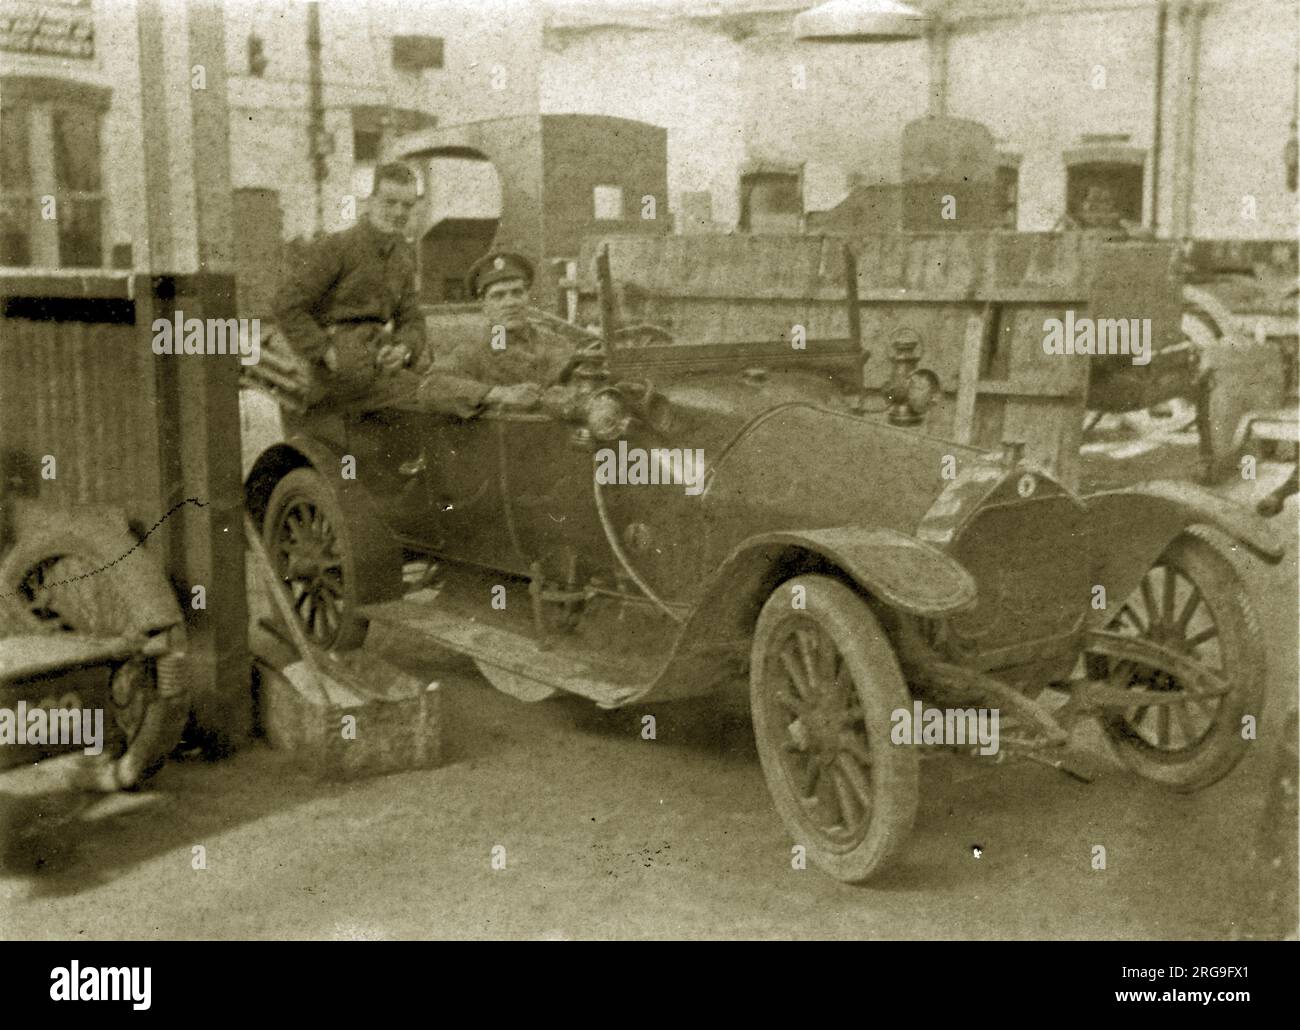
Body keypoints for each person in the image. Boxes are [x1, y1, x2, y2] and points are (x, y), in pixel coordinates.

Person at [271, 163, 536, 416]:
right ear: (370, 201)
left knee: (439, 386)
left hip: (379, 365)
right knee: (433, 395)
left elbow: (412, 318)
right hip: (337, 377)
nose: (399, 212)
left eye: (407, 205)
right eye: (390, 202)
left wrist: (403, 349)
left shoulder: (402, 258)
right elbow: (286, 304)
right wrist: (326, 352)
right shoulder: (337, 247)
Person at [431, 251, 579, 399]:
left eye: (517, 293)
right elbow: (432, 385)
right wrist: (496, 393)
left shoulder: (557, 344)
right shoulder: (474, 350)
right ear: (484, 305)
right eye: (498, 296)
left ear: (527, 297)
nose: (510, 303)